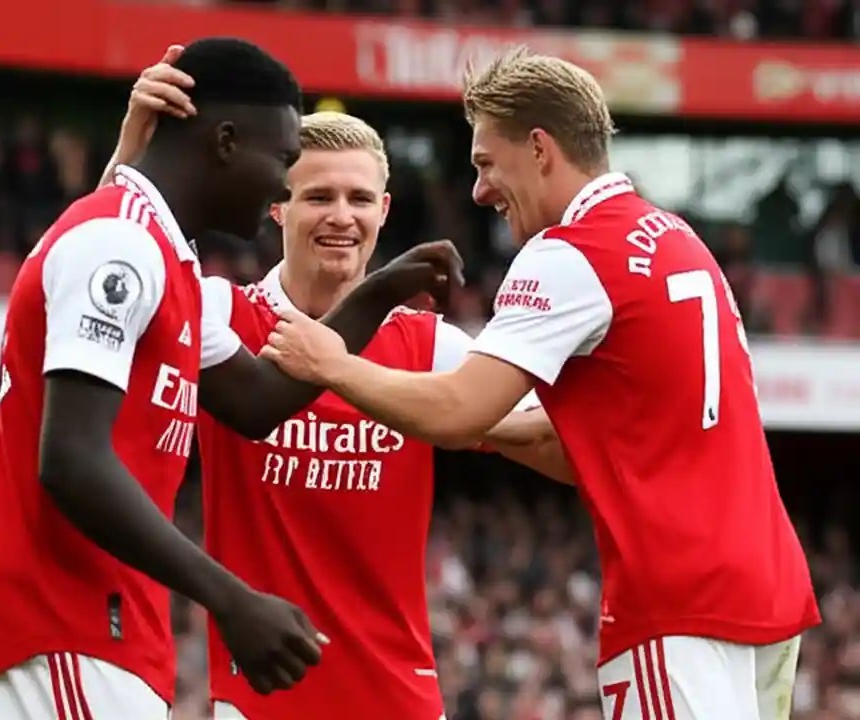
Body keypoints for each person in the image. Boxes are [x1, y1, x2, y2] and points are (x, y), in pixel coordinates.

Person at [261, 47, 820, 720]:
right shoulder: (675, 237)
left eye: (485, 164)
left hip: (677, 600)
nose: (479, 191)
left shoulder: (569, 253)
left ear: (539, 148)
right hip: (766, 590)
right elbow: (575, 444)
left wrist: (330, 364)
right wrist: (449, 414)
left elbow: (458, 411)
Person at [0, 38, 459, 720]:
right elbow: (71, 461)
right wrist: (230, 598)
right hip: (64, 615)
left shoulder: (170, 262)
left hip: (112, 626)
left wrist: (378, 291)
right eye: (283, 161)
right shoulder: (120, 242)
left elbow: (258, 401)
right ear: (224, 141)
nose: (283, 185)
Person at [100, 53, 567, 720]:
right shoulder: (219, 316)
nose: (339, 217)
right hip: (259, 692)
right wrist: (131, 149)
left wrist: (469, 417)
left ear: (384, 210)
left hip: (395, 694)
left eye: (356, 199)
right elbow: (107, 269)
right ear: (276, 207)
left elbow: (557, 446)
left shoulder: (428, 344)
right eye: (318, 196)